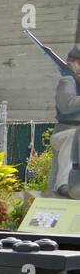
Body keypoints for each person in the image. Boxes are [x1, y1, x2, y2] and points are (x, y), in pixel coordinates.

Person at [48, 45, 80, 197]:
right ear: (73, 63)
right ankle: (63, 183)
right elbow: (67, 105)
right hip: (64, 133)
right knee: (75, 137)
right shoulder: (67, 81)